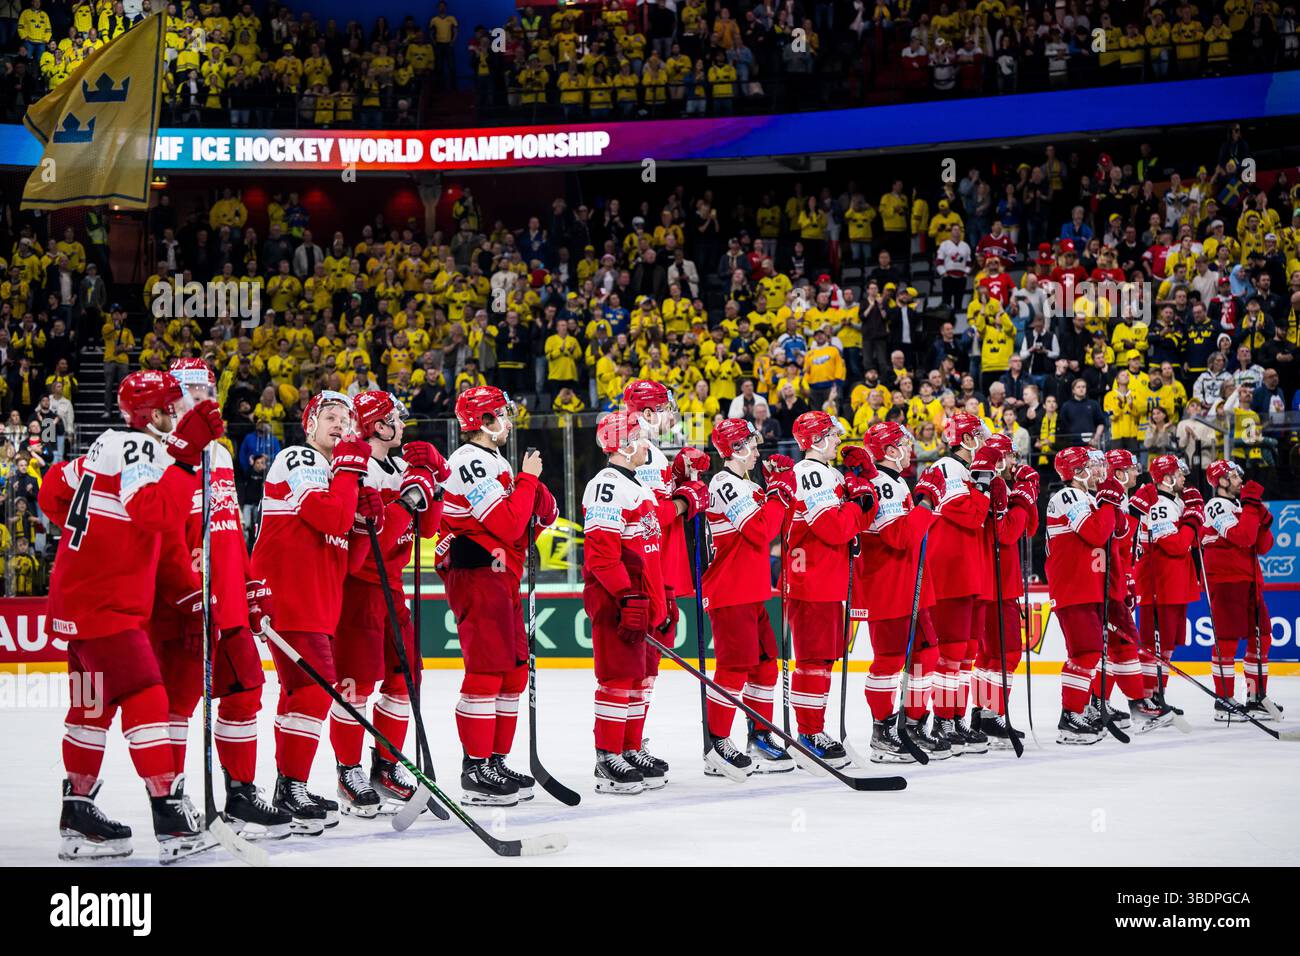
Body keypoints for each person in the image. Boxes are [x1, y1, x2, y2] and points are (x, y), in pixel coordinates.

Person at [41, 370, 225, 862]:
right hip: (107, 608)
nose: (180, 412)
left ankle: (77, 817)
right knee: (147, 692)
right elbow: (155, 514)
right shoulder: (140, 450)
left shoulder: (103, 446)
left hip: (74, 605)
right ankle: (170, 821)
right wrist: (186, 460)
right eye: (173, 405)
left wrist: (99, 540)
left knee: (90, 709)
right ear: (155, 415)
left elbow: (51, 492)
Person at [146, 358, 290, 840]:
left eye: (208, 388)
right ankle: (171, 798)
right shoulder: (158, 455)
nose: (203, 396)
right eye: (191, 389)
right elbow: (159, 537)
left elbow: (228, 530)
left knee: (246, 689)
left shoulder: (222, 455)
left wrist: (247, 587)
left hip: (225, 599)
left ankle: (241, 794)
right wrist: (186, 592)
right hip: (183, 603)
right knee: (177, 703)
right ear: (171, 399)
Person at [251, 390, 376, 831]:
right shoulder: (298, 458)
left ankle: (290, 785)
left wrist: (367, 527)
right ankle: (290, 786)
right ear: (309, 425)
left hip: (319, 603)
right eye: (330, 416)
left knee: (300, 694)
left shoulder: (338, 473)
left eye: (347, 418)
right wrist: (349, 478)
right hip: (290, 598)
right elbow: (329, 519)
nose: (341, 423)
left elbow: (347, 556)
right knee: (312, 691)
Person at [437, 386, 557, 805]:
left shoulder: (495, 461)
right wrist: (529, 482)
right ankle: (475, 768)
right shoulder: (469, 461)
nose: (509, 420)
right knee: (487, 671)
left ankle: (495, 759)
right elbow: (506, 524)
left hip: (502, 574)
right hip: (477, 573)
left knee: (512, 672)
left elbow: (523, 526)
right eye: (502, 414)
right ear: (485, 421)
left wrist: (538, 507)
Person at [329, 391, 446, 815]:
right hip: (359, 588)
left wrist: (434, 476)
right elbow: (372, 539)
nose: (401, 423)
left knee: (406, 677)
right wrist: (407, 500)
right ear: (378, 425)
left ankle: (386, 763)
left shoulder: (399, 468)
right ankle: (348, 770)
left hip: (392, 588)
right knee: (355, 684)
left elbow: (429, 528)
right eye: (394, 417)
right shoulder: (359, 470)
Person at [581, 410, 677, 794]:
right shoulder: (606, 484)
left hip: (641, 597)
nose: (645, 443)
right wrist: (627, 596)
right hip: (617, 603)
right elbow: (602, 555)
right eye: (637, 436)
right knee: (618, 679)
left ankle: (630, 746)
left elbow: (648, 552)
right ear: (622, 445)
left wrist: (659, 598)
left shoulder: (636, 485)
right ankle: (608, 756)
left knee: (639, 679)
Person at [621, 379, 708, 780]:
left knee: (647, 665)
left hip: (660, 572)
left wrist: (678, 474)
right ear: (649, 412)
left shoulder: (648, 451)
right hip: (646, 574)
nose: (671, 415)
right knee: (637, 664)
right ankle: (623, 745)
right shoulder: (636, 450)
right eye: (665, 408)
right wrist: (685, 497)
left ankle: (632, 742)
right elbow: (650, 515)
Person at [700, 419, 794, 777]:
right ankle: (718, 743)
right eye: (751, 446)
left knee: (764, 666)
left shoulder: (746, 484)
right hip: (730, 590)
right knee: (733, 670)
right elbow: (759, 530)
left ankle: (759, 735)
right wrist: (777, 495)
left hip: (752, 591)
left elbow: (778, 524)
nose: (757, 451)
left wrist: (783, 492)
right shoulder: (725, 484)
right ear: (735, 449)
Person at [784, 410, 876, 766]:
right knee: (813, 660)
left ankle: (813, 728)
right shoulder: (808, 474)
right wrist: (855, 504)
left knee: (822, 659)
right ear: (817, 440)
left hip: (824, 578)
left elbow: (857, 520)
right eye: (832, 435)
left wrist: (865, 483)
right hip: (810, 579)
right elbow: (834, 528)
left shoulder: (828, 474)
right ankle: (808, 732)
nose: (838, 440)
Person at [853, 422, 946, 762]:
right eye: (904, 443)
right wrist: (926, 503)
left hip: (910, 585)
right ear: (891, 451)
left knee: (927, 652)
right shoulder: (882, 484)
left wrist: (923, 502)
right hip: (887, 587)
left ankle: (914, 723)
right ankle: (882, 731)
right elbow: (901, 537)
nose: (910, 448)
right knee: (889, 662)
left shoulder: (895, 482)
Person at [925, 412, 1000, 754]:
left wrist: (983, 486)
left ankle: (955, 717)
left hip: (970, 570)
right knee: (951, 652)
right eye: (979, 436)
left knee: (967, 651)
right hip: (950, 571)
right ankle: (942, 719)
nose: (984, 441)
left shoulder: (968, 471)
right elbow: (970, 516)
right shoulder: (946, 468)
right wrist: (982, 488)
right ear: (967, 439)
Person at [1045, 446, 1118, 744]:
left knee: (1090, 652)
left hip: (1089, 587)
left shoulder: (1087, 497)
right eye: (1091, 465)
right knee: (1084, 653)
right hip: (1073, 589)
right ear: (1077, 471)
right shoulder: (1067, 496)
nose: (1100, 470)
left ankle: (1080, 708)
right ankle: (1070, 716)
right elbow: (1096, 534)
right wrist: (1110, 505)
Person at [1099, 449, 1175, 732]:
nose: (1136, 472)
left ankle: (1103, 703)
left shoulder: (1122, 496)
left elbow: (1127, 547)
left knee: (1115, 646)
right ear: (1118, 472)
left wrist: (1129, 576)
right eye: (1131, 468)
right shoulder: (1112, 496)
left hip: (1117, 580)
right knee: (1117, 645)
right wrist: (1133, 513)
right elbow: (1116, 540)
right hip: (1108, 583)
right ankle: (1135, 704)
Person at [972, 434, 1039, 748]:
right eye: (1010, 455)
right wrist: (1022, 499)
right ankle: (992, 712)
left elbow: (1029, 528)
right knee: (1007, 652)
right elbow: (1007, 532)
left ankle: (984, 712)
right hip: (997, 583)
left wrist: (1026, 497)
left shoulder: (1001, 485)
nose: (1015, 460)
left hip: (997, 582)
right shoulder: (995, 485)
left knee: (989, 655)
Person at [1203, 460, 1282, 720]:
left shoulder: (1240, 506)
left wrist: (1262, 519)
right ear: (1221, 481)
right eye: (1233, 476)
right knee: (1226, 640)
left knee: (1262, 636)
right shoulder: (1215, 506)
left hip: (1250, 580)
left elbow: (1262, 546)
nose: (1239, 479)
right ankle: (1223, 700)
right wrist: (1251, 508)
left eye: (1239, 475)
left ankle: (1255, 695)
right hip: (1226, 581)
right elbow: (1243, 537)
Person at [1131, 454, 1202, 715]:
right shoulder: (1159, 504)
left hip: (1175, 583)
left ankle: (1159, 695)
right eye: (1179, 473)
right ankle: (1148, 697)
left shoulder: (1177, 502)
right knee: (1154, 644)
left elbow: (1195, 540)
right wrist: (1193, 520)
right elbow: (1176, 544)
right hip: (1159, 583)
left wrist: (1194, 514)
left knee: (1167, 645)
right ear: (1167, 477)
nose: (1184, 477)